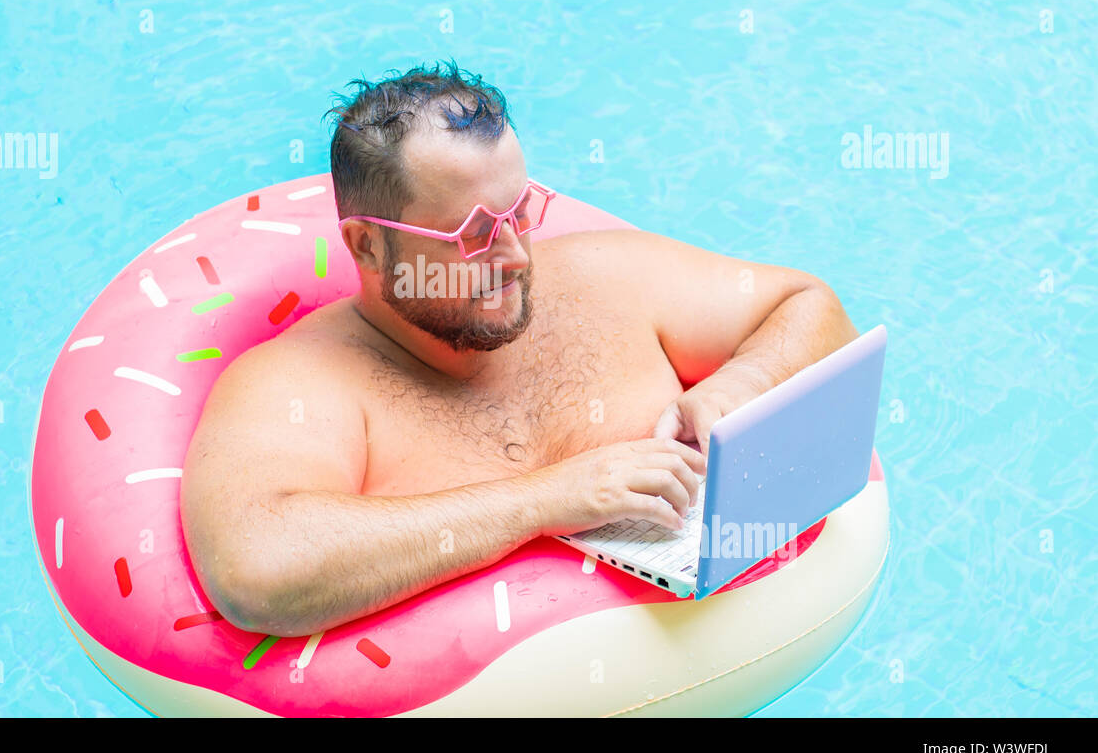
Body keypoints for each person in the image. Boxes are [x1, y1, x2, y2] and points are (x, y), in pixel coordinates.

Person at [180, 61, 858, 637]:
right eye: (472, 232)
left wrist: (738, 386)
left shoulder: (607, 275)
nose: (512, 256)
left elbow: (808, 307)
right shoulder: (299, 385)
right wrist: (546, 500)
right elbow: (256, 568)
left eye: (519, 212)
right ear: (368, 246)